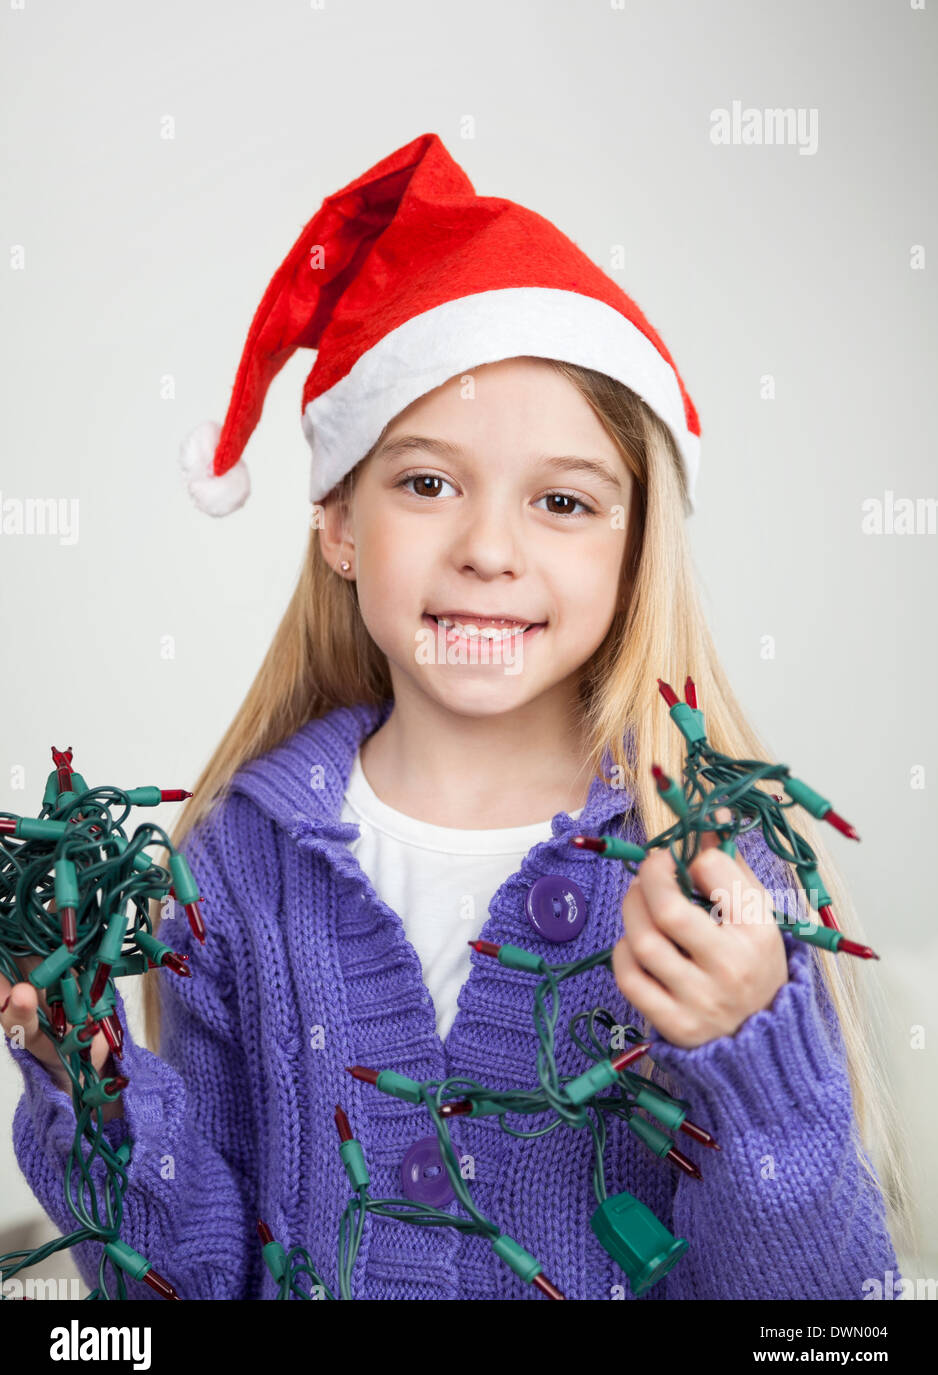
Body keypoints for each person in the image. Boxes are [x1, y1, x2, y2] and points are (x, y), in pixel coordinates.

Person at [2, 132, 911, 1301]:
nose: (487, 549)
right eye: (426, 483)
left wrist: (750, 1050)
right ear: (336, 522)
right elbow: (178, 1290)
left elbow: (823, 1320)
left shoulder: (715, 878)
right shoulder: (232, 867)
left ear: (635, 554)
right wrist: (89, 1080)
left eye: (562, 501)